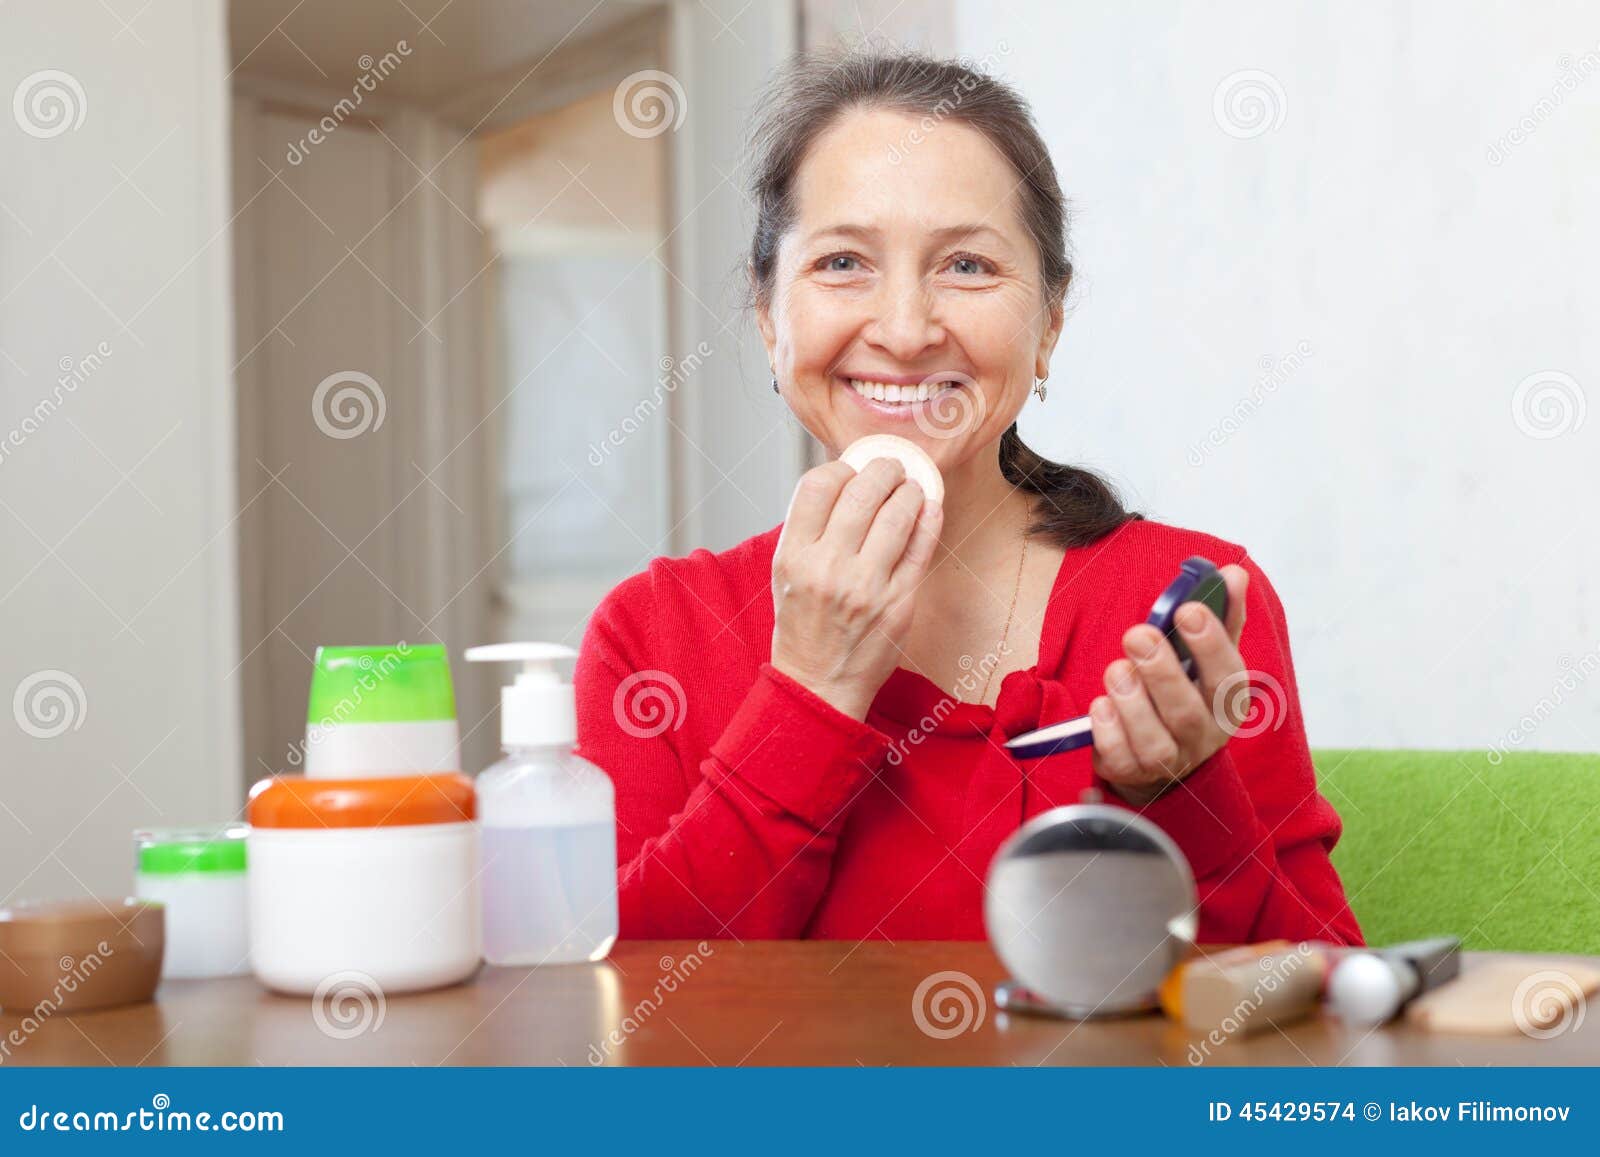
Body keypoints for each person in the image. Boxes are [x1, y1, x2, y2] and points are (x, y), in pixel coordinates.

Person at [573, 48, 1362, 947]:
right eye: (841, 262)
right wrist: (810, 691)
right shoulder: (653, 635)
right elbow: (633, 1021)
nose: (906, 330)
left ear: (1050, 324)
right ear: (767, 316)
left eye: (968, 268)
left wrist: (1183, 802)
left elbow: (1325, 1017)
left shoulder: (1188, 613)